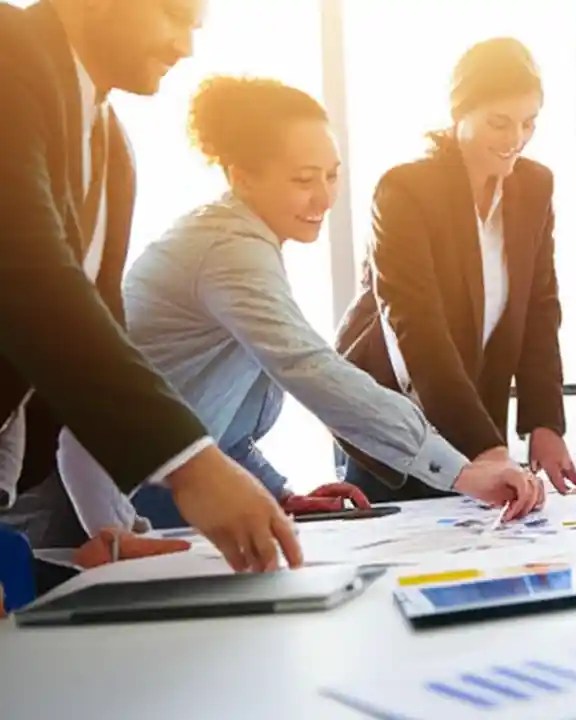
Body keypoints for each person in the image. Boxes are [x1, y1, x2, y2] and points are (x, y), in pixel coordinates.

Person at [56, 76, 542, 533]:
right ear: (241, 177)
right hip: (94, 496)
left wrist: (278, 493)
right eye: (304, 179)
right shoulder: (229, 251)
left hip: (144, 480)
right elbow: (310, 369)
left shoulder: (250, 244)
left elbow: (210, 423)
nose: (325, 198)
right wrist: (461, 471)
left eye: (332, 176)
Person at [0, 0, 300, 573]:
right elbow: (26, 276)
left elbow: (85, 347)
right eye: (171, 14)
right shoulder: (8, 49)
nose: (183, 46)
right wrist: (194, 466)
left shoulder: (111, 146)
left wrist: (108, 524)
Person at [336, 38, 576, 501]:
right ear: (459, 112)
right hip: (396, 428)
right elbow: (417, 329)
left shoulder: (533, 188)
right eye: (498, 122)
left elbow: (539, 309)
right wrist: (488, 450)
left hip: (474, 426)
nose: (515, 138)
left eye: (528, 123)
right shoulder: (404, 192)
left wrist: (544, 423)